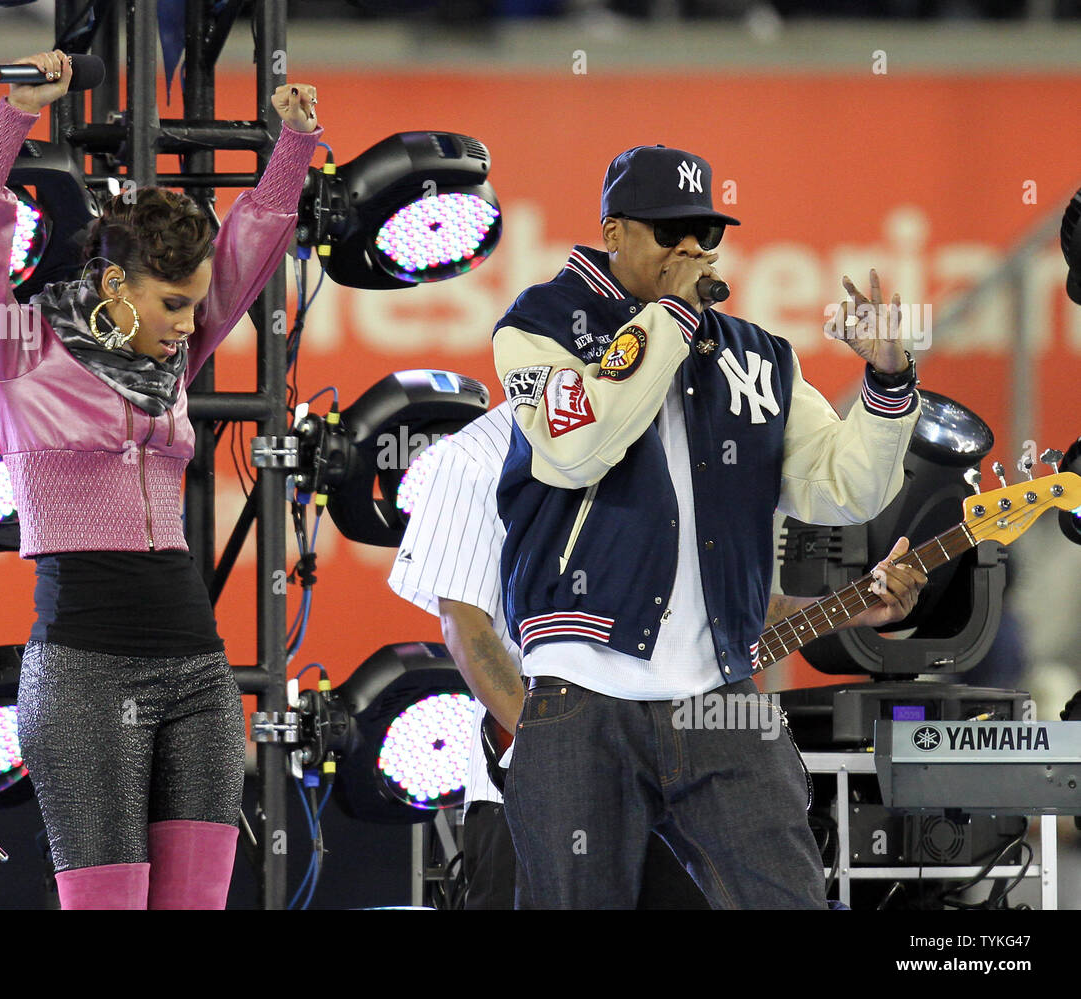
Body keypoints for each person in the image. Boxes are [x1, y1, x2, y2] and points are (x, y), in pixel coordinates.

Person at [0, 50, 322, 909]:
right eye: (172, 305)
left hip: (196, 671)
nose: (190, 326)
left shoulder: (167, 363)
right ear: (114, 284)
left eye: (193, 308)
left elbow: (244, 260)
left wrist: (293, 143)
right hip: (84, 671)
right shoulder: (20, 350)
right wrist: (17, 115)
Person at [491, 144, 924, 909]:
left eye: (705, 233)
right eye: (669, 232)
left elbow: (840, 486)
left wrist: (887, 387)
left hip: (720, 690)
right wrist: (670, 320)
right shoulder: (541, 325)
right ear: (614, 230)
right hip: (582, 691)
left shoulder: (756, 355)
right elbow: (574, 449)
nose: (691, 249)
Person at [390, 403, 926, 909]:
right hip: (543, 787)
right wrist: (550, 749)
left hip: (685, 780)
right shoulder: (476, 453)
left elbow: (716, 605)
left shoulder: (673, 444)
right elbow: (465, 625)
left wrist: (851, 607)